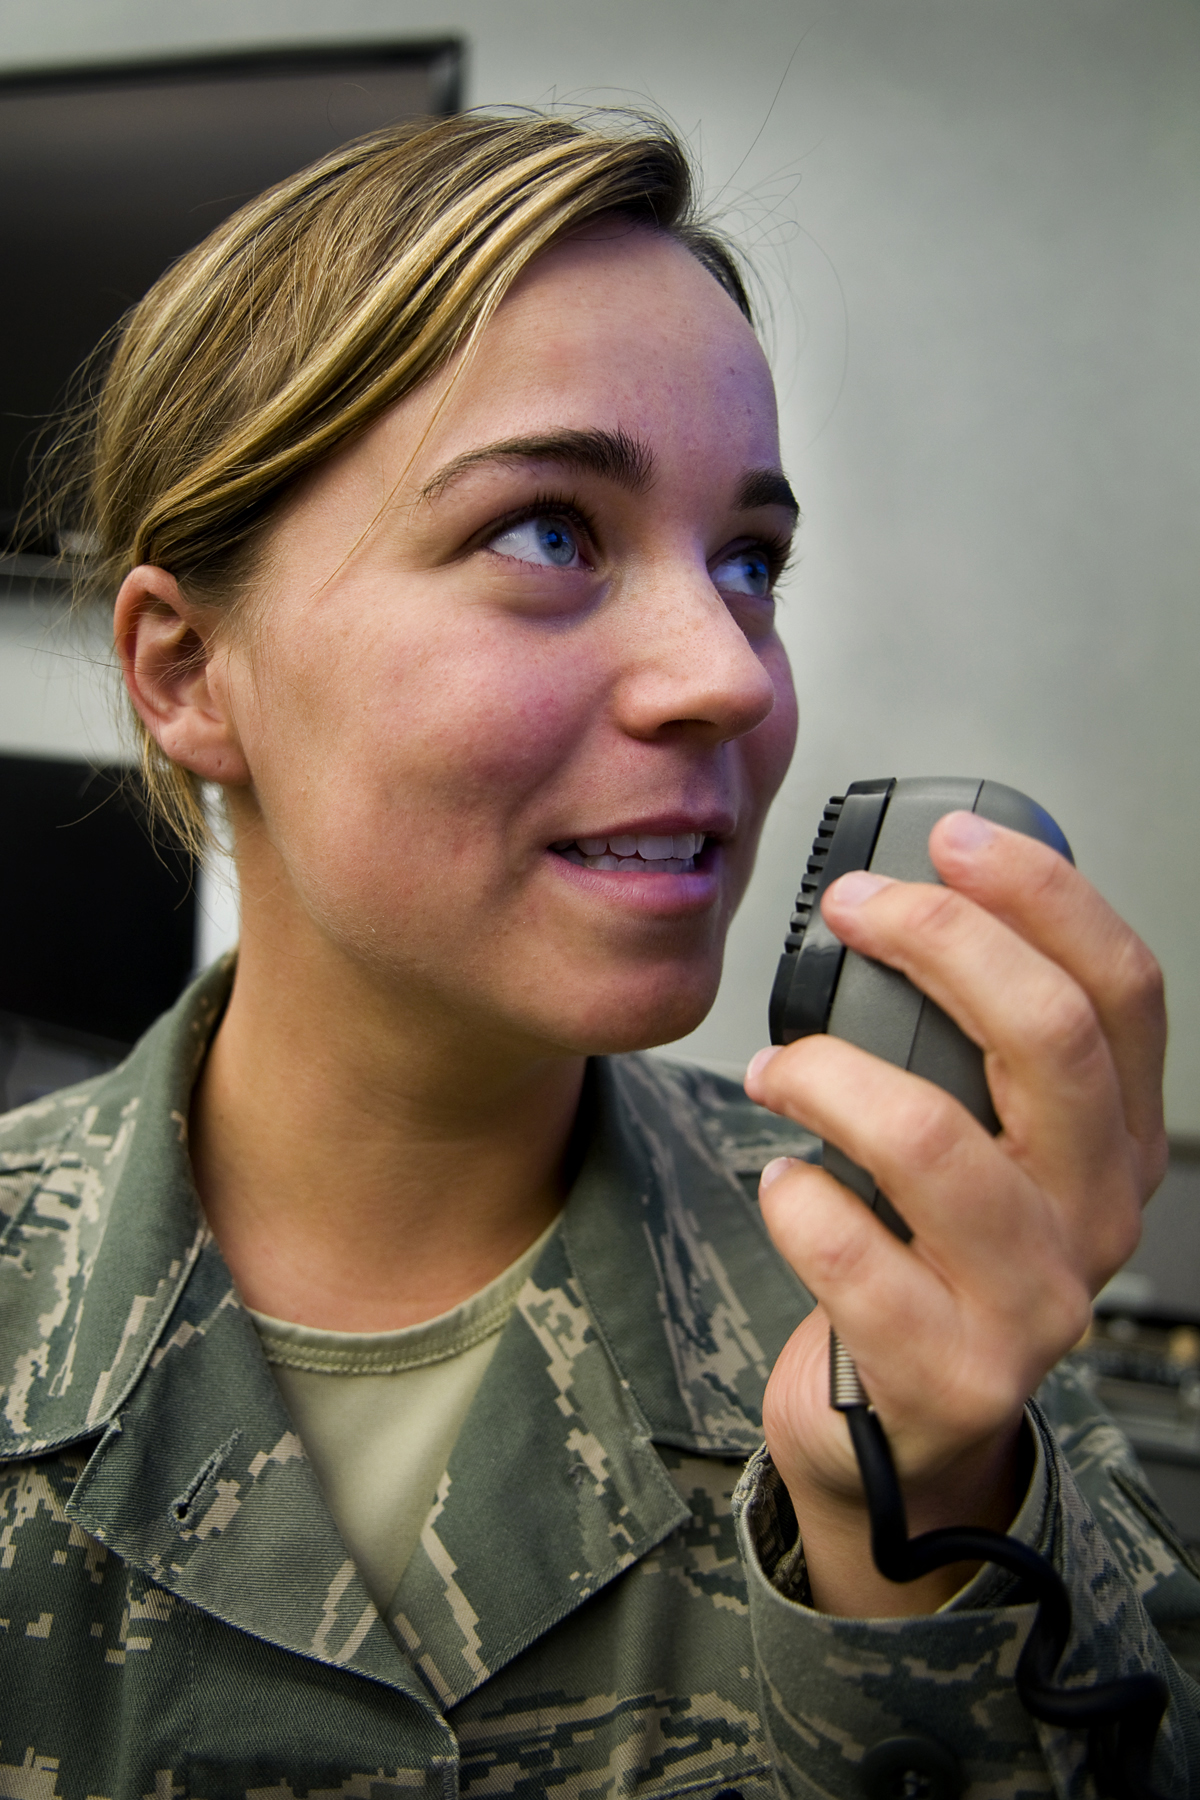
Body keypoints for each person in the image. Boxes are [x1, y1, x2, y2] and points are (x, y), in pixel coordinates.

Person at [0, 110, 1195, 1800]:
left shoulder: (908, 1301)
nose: (728, 673)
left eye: (751, 561)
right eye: (550, 531)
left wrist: (907, 1533)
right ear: (192, 672)